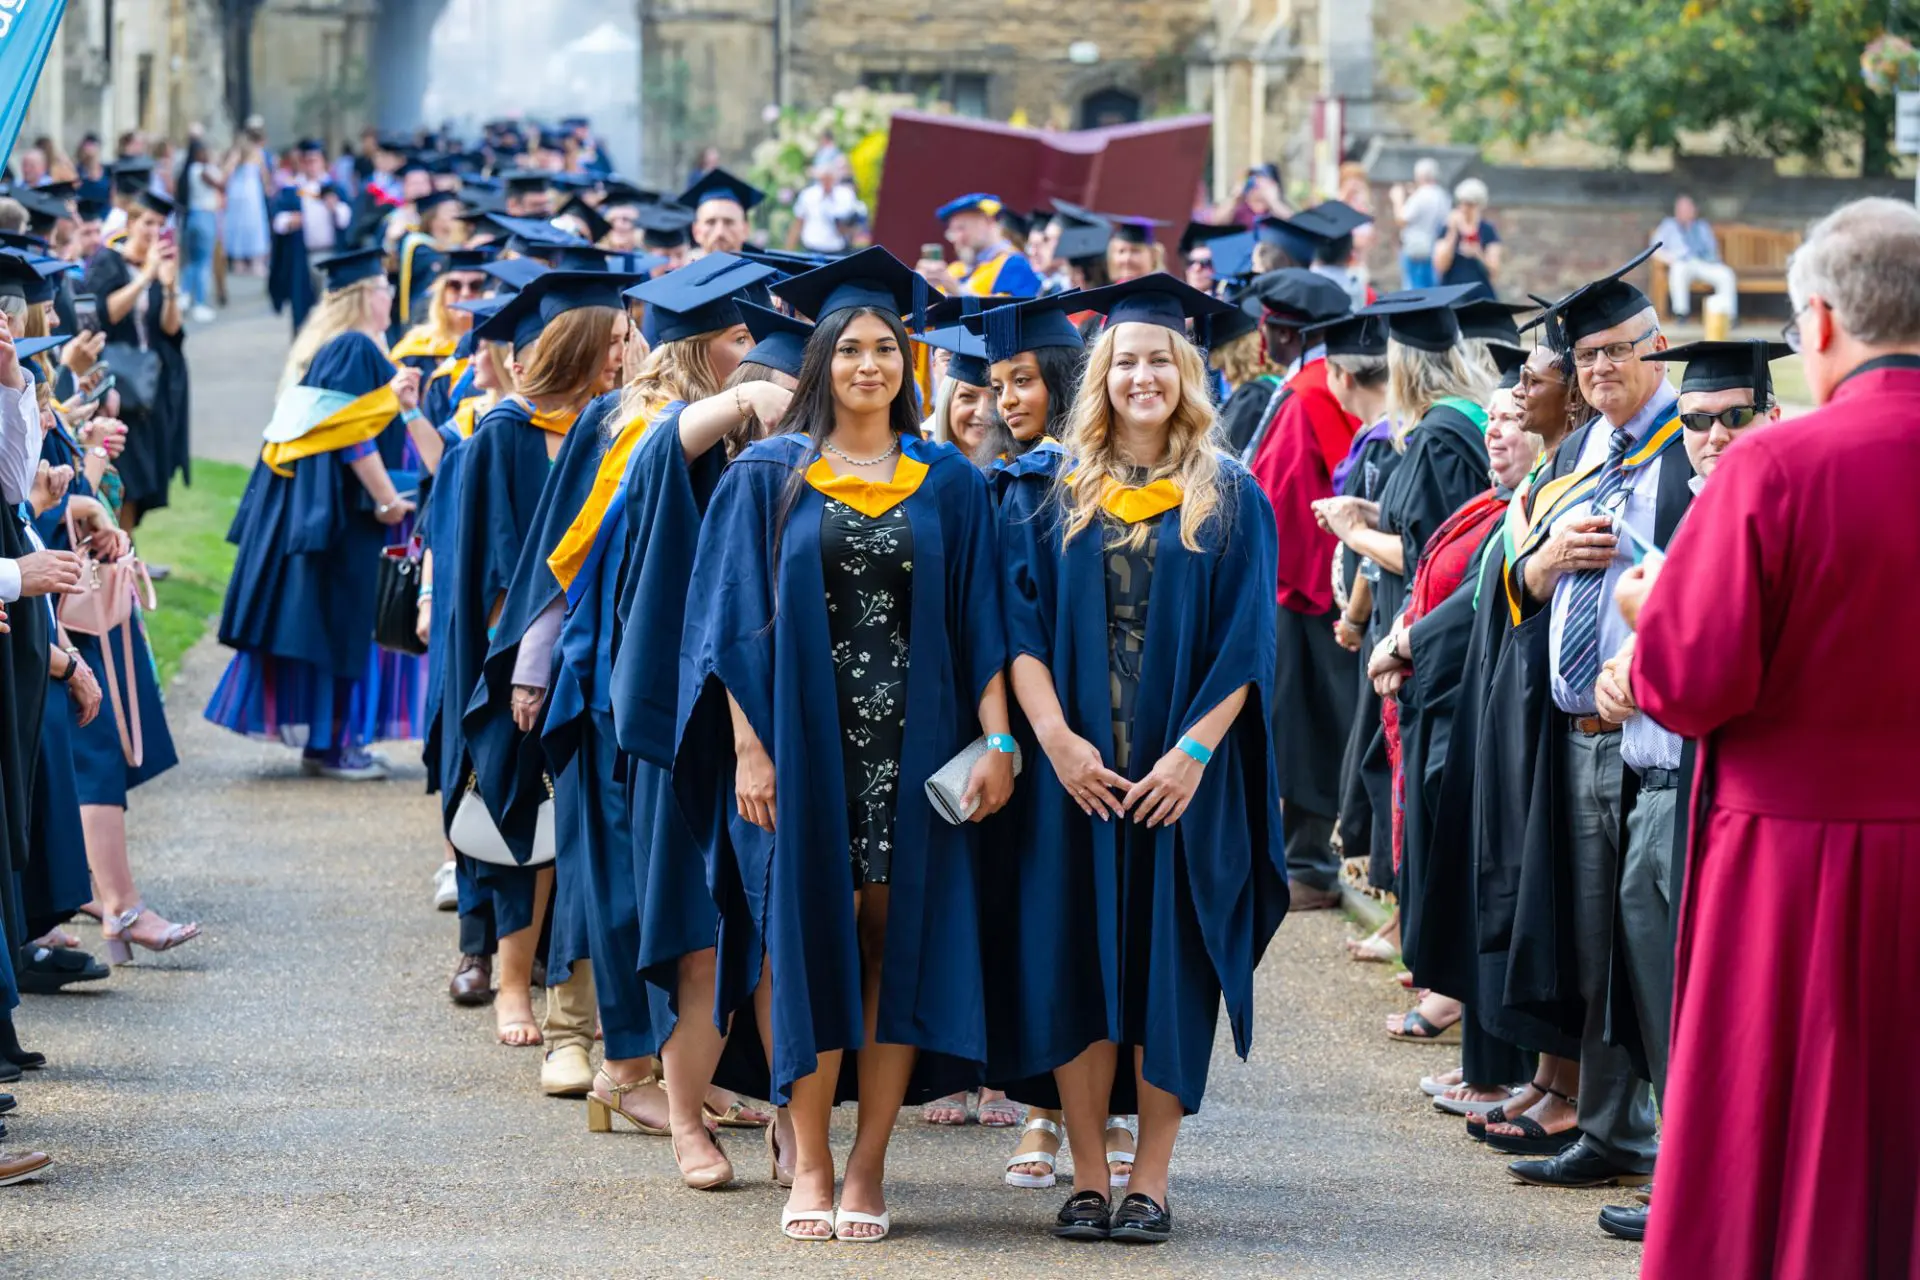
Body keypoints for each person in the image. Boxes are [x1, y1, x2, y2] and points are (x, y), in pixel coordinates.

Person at [673, 248, 1013, 1243]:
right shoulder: (768, 474)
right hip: (802, 751)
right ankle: (811, 1158)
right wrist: (751, 749)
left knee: (890, 948)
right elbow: (729, 624)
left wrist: (998, 738)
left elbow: (983, 621)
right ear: (823, 360)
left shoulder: (949, 482)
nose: (870, 364)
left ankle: (869, 1164)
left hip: (917, 749)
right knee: (798, 948)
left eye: (886, 348)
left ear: (909, 363)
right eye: (851, 348)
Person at [1626, 196, 1920, 1280]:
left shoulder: (1775, 466)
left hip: (1792, 860)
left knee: (1786, 1136)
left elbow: (1690, 682)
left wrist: (1646, 611)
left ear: (1822, 323)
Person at [993, 274, 1283, 1245]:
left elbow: (1248, 645)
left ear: (1186, 372)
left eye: (1160, 359)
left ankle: (1149, 1178)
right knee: (1073, 963)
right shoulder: (1052, 490)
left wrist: (1194, 753)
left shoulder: (1230, 495)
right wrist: (1056, 740)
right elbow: (1019, 628)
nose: (1143, 376)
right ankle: (1086, 1173)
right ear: (1102, 376)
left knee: (1169, 972)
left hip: (1179, 786)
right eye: (1126, 361)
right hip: (1073, 780)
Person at [1585, 337, 1786, 1244]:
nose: (1713, 435)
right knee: (1664, 998)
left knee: (1723, 1005)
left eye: (1733, 416)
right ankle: (1682, 1175)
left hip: (1728, 798)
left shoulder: (1774, 514)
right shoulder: (1684, 503)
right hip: (1657, 783)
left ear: (1769, 416)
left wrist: (1650, 658)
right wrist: (1620, 670)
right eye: (1697, 420)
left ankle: (1717, 1192)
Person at [1502, 247, 1685, 1189]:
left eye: (1619, 349)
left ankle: (1677, 1150)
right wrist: (1545, 562)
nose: (1603, 368)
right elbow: (1522, 578)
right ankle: (1613, 1130)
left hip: (1655, 737)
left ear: (1659, 346)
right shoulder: (1578, 453)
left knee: (1657, 952)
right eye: (1586, 357)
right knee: (1596, 944)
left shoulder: (1692, 448)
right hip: (1574, 731)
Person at [439, 269, 638, 1057]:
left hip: (592, 651)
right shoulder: (505, 433)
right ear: (581, 345)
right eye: (614, 341)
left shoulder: (614, 425)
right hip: (518, 654)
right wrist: (526, 661)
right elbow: (494, 565)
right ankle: (512, 983)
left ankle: (577, 988)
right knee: (525, 821)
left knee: (583, 828)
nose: (625, 353)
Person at [206, 247, 418, 780]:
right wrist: (387, 499)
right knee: (344, 623)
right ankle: (336, 746)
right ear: (364, 296)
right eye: (384, 288)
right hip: (348, 516)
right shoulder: (352, 347)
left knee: (337, 623)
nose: (391, 297)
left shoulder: (344, 346)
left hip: (339, 512)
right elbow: (351, 436)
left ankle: (333, 743)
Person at [1315, 287, 1490, 923]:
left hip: (1426, 650)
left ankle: (1422, 946)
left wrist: (1352, 532)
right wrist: (1371, 511)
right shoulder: (1463, 422)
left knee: (1423, 796)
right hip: (1426, 643)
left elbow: (1430, 556)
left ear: (1404, 367)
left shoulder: (1439, 439)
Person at [78, 188, 189, 525]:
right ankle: (120, 542)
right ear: (130, 223)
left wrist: (168, 287)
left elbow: (170, 328)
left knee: (145, 479)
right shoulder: (108, 261)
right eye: (148, 223)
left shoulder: (158, 266)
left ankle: (127, 539)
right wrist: (145, 276)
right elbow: (106, 314)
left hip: (150, 386)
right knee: (125, 474)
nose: (154, 231)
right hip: (117, 386)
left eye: (160, 225)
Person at [268, 141, 350, 336]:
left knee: (331, 306)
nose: (311, 166)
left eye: (315, 161)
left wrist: (335, 207)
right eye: (307, 161)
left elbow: (347, 220)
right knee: (302, 307)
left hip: (330, 254)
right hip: (302, 257)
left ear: (323, 162)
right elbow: (277, 220)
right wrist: (290, 220)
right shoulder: (293, 190)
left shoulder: (334, 189)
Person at [1649, 194, 1738, 324]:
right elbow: (1654, 249)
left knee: (1726, 274)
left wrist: (1714, 259)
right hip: (1681, 262)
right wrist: (1669, 259)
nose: (1684, 212)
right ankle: (1681, 313)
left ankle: (1729, 316)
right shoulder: (1668, 226)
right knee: (1678, 270)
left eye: (1687, 208)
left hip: (1704, 263)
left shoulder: (1702, 226)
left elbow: (1713, 250)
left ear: (1694, 210)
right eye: (1681, 209)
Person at [932, 194, 1042, 298]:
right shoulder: (955, 270)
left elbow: (1010, 309)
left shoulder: (1014, 265)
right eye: (953, 231)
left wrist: (959, 292)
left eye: (962, 228)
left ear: (987, 220)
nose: (957, 238)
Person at [177, 138, 224, 321]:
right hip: (204, 216)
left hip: (191, 216)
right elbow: (220, 184)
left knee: (192, 261)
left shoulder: (187, 171)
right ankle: (199, 302)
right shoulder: (202, 170)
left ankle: (184, 294)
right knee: (203, 262)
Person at [1432, 179, 1502, 300]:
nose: (1464, 209)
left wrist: (1478, 253)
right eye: (1461, 203)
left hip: (1480, 295)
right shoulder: (1447, 229)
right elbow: (1440, 266)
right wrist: (1453, 232)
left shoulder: (1487, 230)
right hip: (1451, 295)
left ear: (1479, 206)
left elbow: (1494, 271)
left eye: (1470, 205)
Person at [1389, 159, 1449, 290]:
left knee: (1413, 289)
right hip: (1434, 247)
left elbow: (1401, 219)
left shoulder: (1421, 195)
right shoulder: (1442, 195)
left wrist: (1397, 199)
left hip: (1415, 248)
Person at [221, 128, 272, 275]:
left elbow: (227, 170)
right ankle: (253, 260)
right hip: (252, 192)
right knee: (253, 224)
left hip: (239, 191)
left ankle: (239, 260)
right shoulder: (257, 153)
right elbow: (264, 175)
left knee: (239, 224)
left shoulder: (239, 152)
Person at [680, 168, 762, 258]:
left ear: (745, 230)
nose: (720, 232)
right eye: (710, 222)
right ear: (696, 231)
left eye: (729, 222)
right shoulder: (681, 266)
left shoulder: (768, 267)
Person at [788, 160, 862, 256]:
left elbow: (854, 223)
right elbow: (798, 223)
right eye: (824, 178)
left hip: (837, 250)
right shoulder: (808, 194)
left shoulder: (846, 195)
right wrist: (789, 249)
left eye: (830, 178)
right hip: (811, 249)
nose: (827, 182)